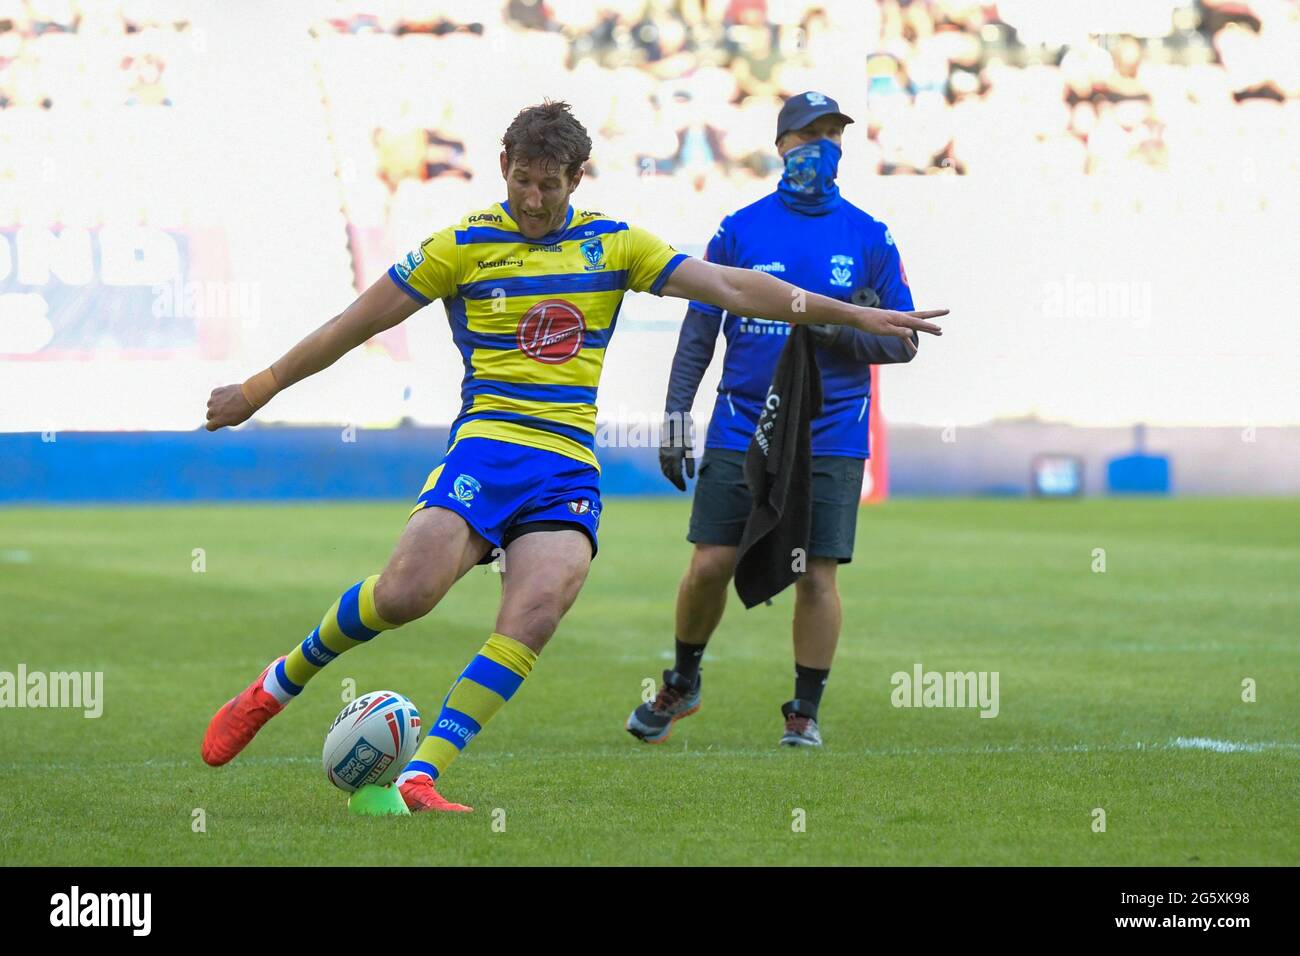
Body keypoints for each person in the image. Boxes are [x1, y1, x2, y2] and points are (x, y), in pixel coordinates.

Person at [200, 100, 945, 812]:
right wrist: (258, 389)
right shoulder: (460, 247)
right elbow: (351, 324)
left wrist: (853, 314)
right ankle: (275, 687)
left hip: (564, 471)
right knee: (405, 596)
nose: (532, 199)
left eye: (549, 184)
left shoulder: (613, 245)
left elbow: (729, 286)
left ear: (576, 178)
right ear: (503, 166)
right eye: (522, 180)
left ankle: (422, 777)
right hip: (486, 451)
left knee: (534, 612)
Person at [627, 91, 919, 749]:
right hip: (742, 424)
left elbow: (903, 340)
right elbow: (700, 331)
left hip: (831, 429)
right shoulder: (739, 230)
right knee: (710, 563)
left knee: (816, 574)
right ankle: (683, 679)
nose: (822, 146)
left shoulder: (870, 236)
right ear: (782, 146)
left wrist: (838, 330)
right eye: (810, 135)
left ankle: (804, 710)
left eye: (833, 134)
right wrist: (676, 414)